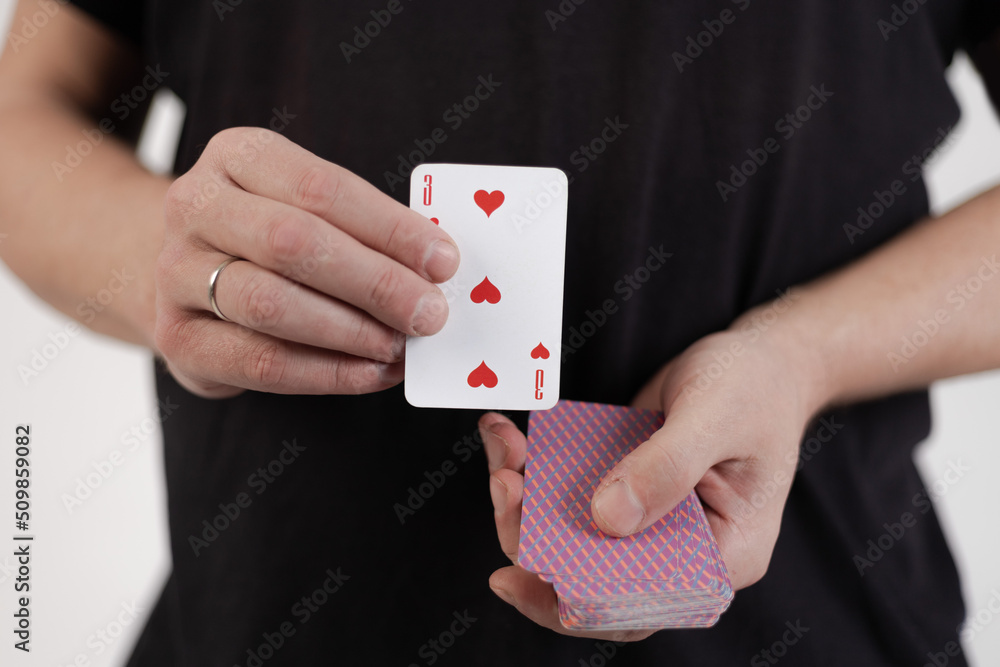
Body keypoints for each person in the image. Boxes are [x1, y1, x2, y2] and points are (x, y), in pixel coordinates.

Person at [1, 0, 998, 664]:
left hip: (821, 623)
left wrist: (804, 354)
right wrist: (165, 270)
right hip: (275, 619)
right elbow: (24, 112)